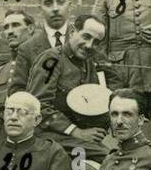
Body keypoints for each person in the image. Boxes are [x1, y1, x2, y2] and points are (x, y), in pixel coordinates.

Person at [23, 14, 110, 159]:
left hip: (73, 136)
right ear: (72, 32)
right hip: (46, 134)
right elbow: (39, 105)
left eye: (96, 42)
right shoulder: (52, 60)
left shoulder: (88, 62)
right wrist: (76, 131)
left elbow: (93, 104)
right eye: (86, 37)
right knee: (107, 156)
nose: (89, 45)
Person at [9, 0, 71, 93]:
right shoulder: (27, 49)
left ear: (69, 5)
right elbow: (17, 90)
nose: (55, 8)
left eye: (61, 1)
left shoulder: (84, 41)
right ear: (40, 9)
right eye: (48, 3)